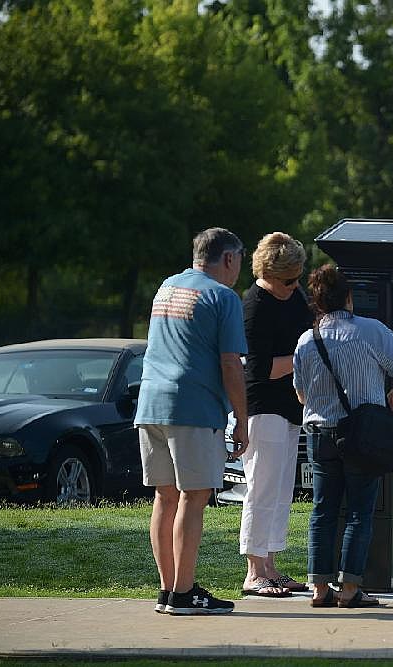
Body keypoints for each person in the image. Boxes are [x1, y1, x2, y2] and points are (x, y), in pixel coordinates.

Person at [135, 227, 249, 615]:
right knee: (194, 496)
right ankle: (184, 594)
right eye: (240, 261)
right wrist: (242, 421)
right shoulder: (223, 296)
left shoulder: (166, 286)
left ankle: (168, 591)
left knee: (164, 496)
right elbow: (231, 363)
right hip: (194, 407)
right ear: (229, 258)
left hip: (151, 402)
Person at [293, 264, 393, 608]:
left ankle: (318, 587)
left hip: (319, 432)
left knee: (323, 510)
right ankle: (349, 589)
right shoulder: (372, 331)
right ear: (348, 297)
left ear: (317, 302)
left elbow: (301, 395)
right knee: (360, 510)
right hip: (361, 432)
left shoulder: (307, 340)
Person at [238, 232, 315, 598]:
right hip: (263, 407)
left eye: (297, 278)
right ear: (268, 273)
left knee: (283, 489)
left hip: (290, 406)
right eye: (288, 280)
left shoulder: (294, 297)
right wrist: (303, 358)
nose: (294, 285)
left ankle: (271, 564)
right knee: (262, 487)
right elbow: (259, 369)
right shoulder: (255, 305)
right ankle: (254, 570)